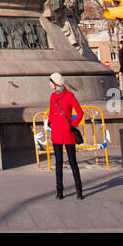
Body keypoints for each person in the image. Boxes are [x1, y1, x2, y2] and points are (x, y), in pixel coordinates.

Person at [46, 72, 84, 200]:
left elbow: (80, 112)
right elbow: (51, 111)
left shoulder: (69, 96)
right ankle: (59, 190)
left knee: (73, 162)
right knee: (58, 163)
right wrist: (51, 123)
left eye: (50, 81)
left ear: (56, 83)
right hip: (57, 132)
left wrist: (72, 125)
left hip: (67, 133)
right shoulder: (52, 97)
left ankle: (79, 189)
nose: (49, 84)